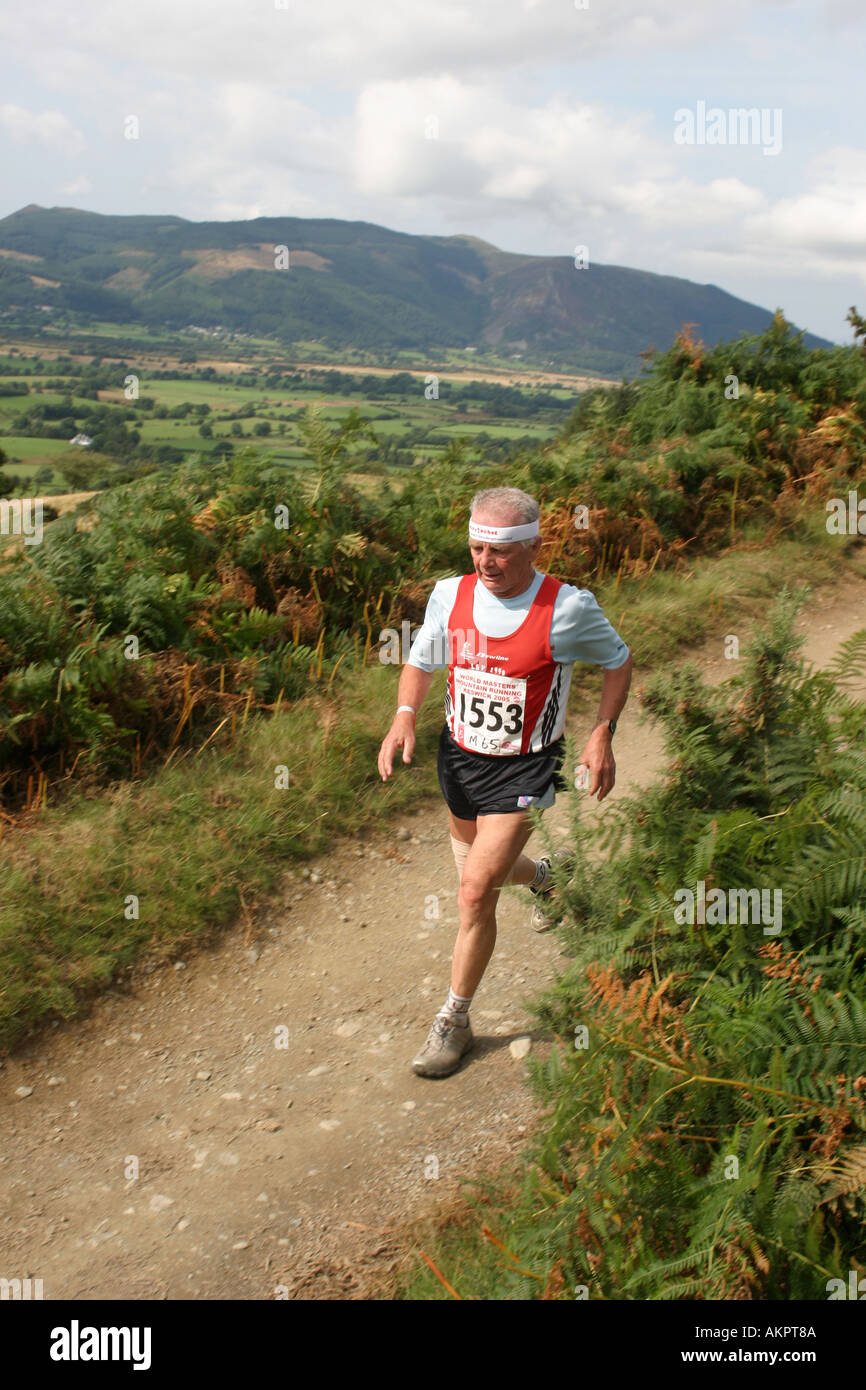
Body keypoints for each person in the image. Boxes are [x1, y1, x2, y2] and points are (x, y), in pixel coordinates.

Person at [376, 486, 633, 1078]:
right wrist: (404, 715)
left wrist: (602, 733)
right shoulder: (451, 594)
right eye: (475, 549)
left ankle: (454, 1021)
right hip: (460, 758)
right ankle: (546, 875)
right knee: (471, 868)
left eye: (498, 552)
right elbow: (420, 659)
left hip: (525, 767)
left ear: (532, 547)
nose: (485, 563)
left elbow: (618, 661)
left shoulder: (567, 608)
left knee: (473, 892)